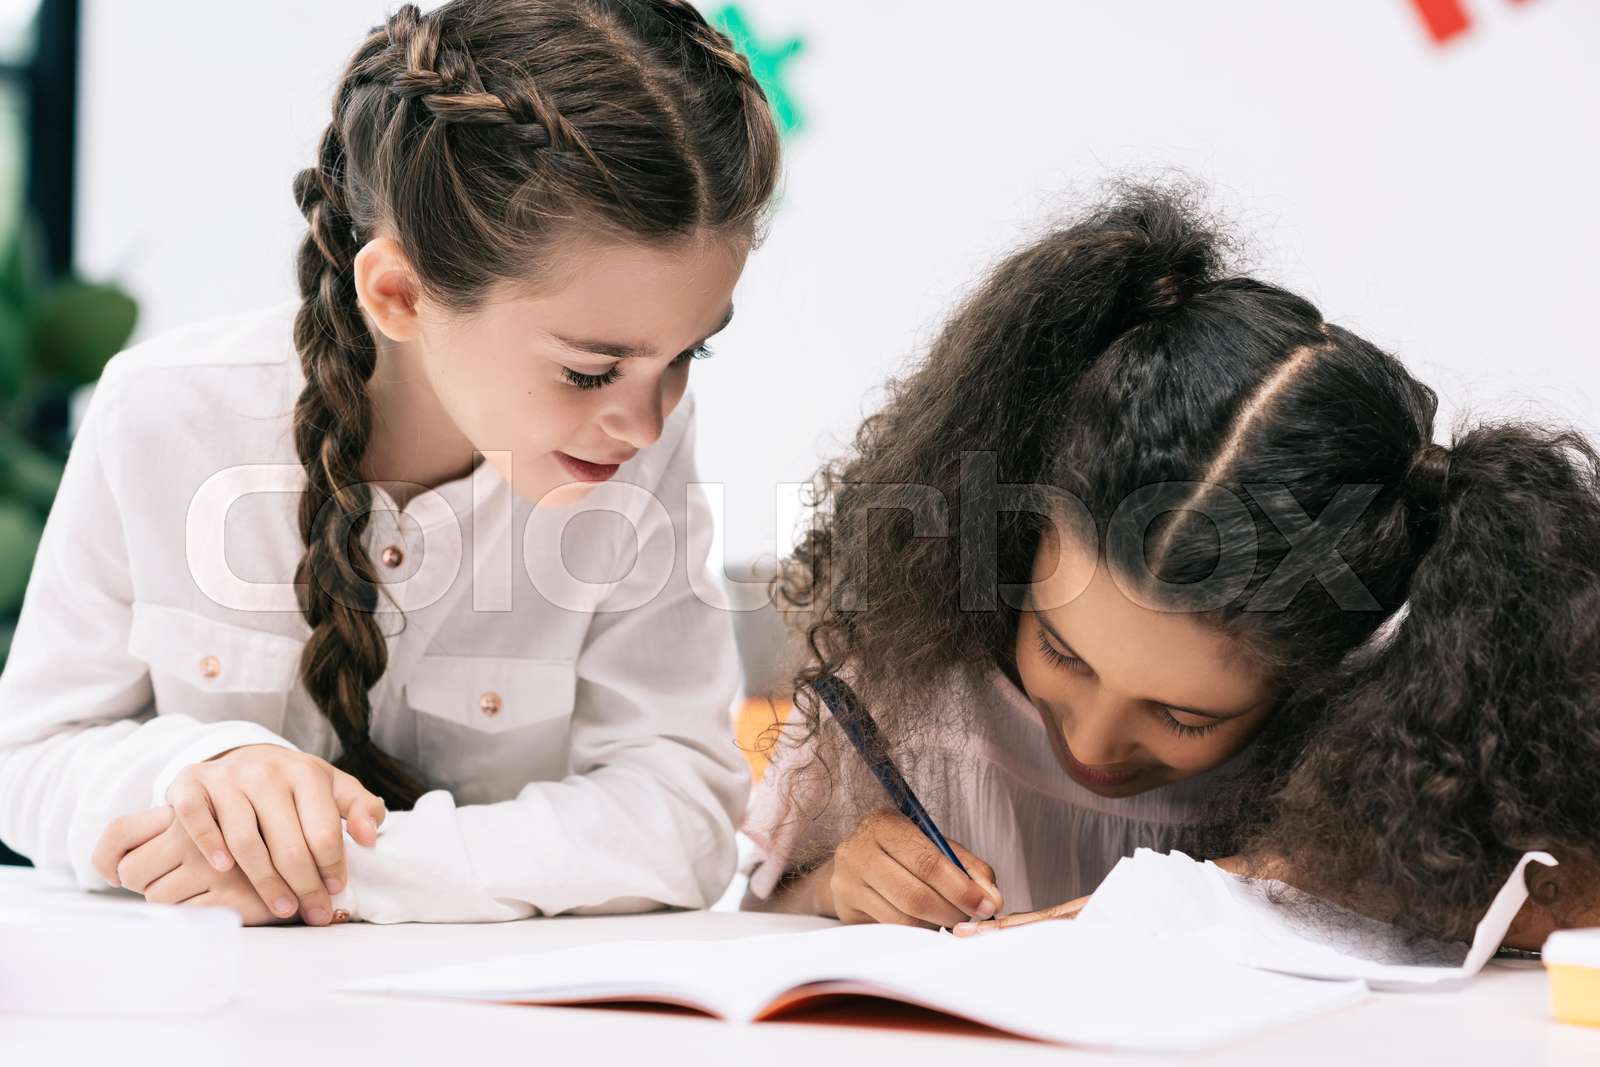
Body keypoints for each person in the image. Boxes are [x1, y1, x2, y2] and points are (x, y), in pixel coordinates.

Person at [0, 0, 780, 926]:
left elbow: (683, 809)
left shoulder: (628, 457)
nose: (648, 423)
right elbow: (30, 757)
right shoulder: (164, 415)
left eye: (691, 353)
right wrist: (195, 774)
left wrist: (323, 866)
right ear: (399, 293)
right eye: (588, 369)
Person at [744, 184, 1600, 947]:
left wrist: (1247, 890)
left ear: (1317, 674)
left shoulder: (1401, 732)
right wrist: (836, 885)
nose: (1092, 739)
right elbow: (750, 921)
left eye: (1184, 716)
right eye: (1064, 652)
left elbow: (1569, 895)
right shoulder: (913, 694)